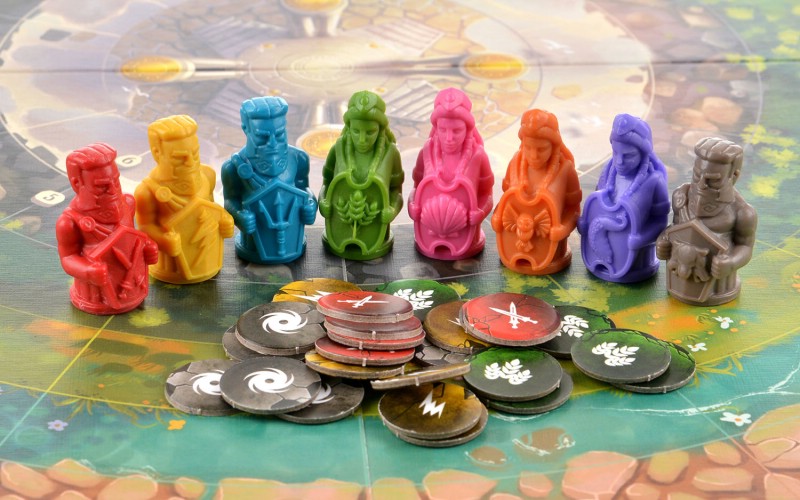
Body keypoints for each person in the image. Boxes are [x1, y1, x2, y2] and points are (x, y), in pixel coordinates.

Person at [56, 143, 158, 314]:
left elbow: (132, 239)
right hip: (93, 295)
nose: (112, 190)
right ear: (77, 183)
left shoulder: (128, 203)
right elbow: (68, 259)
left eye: (115, 181)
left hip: (133, 287)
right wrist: (88, 271)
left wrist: (147, 248)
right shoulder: (68, 222)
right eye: (101, 186)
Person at [657, 137, 757, 305]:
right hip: (678, 276)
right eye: (697, 175)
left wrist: (731, 263)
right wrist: (663, 241)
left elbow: (745, 247)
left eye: (713, 180)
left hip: (720, 286)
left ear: (734, 175)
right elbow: (675, 228)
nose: (702, 184)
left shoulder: (742, 213)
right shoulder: (681, 196)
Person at [136, 115, 233, 283]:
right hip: (169, 266)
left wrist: (225, 221)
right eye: (179, 158)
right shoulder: (147, 192)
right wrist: (164, 241)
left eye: (195, 153)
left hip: (209, 257)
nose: (190, 162)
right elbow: (145, 227)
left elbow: (211, 209)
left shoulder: (207, 175)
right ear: (157, 153)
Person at [221, 97, 317, 264]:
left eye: (279, 134)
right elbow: (230, 200)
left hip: (292, 240)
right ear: (246, 129)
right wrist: (239, 216)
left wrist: (311, 203)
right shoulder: (232, 167)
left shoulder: (298, 158)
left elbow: (304, 189)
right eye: (262, 137)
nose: (272, 143)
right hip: (252, 245)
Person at [578, 114, 670, 282]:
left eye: (628, 156)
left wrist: (642, 239)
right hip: (599, 258)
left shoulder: (654, 182)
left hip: (640, 263)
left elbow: (660, 222)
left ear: (643, 153)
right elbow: (597, 207)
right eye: (615, 153)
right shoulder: (607, 173)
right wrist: (585, 224)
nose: (619, 161)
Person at [492, 109, 581, 275]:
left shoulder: (565, 171)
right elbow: (505, 202)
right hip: (513, 247)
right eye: (528, 147)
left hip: (553, 254)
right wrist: (496, 217)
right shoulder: (515, 165)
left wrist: (563, 230)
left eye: (541, 149)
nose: (534, 155)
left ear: (554, 146)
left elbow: (574, 210)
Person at [408, 88, 493, 260]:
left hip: (468, 239)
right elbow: (417, 190)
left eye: (456, 131)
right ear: (436, 128)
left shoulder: (478, 156)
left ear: (467, 129)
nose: (449, 138)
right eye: (443, 129)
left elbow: (487, 195)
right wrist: (412, 207)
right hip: (428, 234)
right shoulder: (426, 153)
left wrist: (481, 212)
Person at [318, 90, 403, 260]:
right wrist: (323, 202)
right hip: (338, 233)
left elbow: (397, 192)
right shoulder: (338, 149)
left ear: (380, 129)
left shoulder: (390, 153)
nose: (362, 139)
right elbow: (326, 184)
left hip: (378, 237)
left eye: (370, 132)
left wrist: (392, 211)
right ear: (348, 127)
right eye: (356, 131)